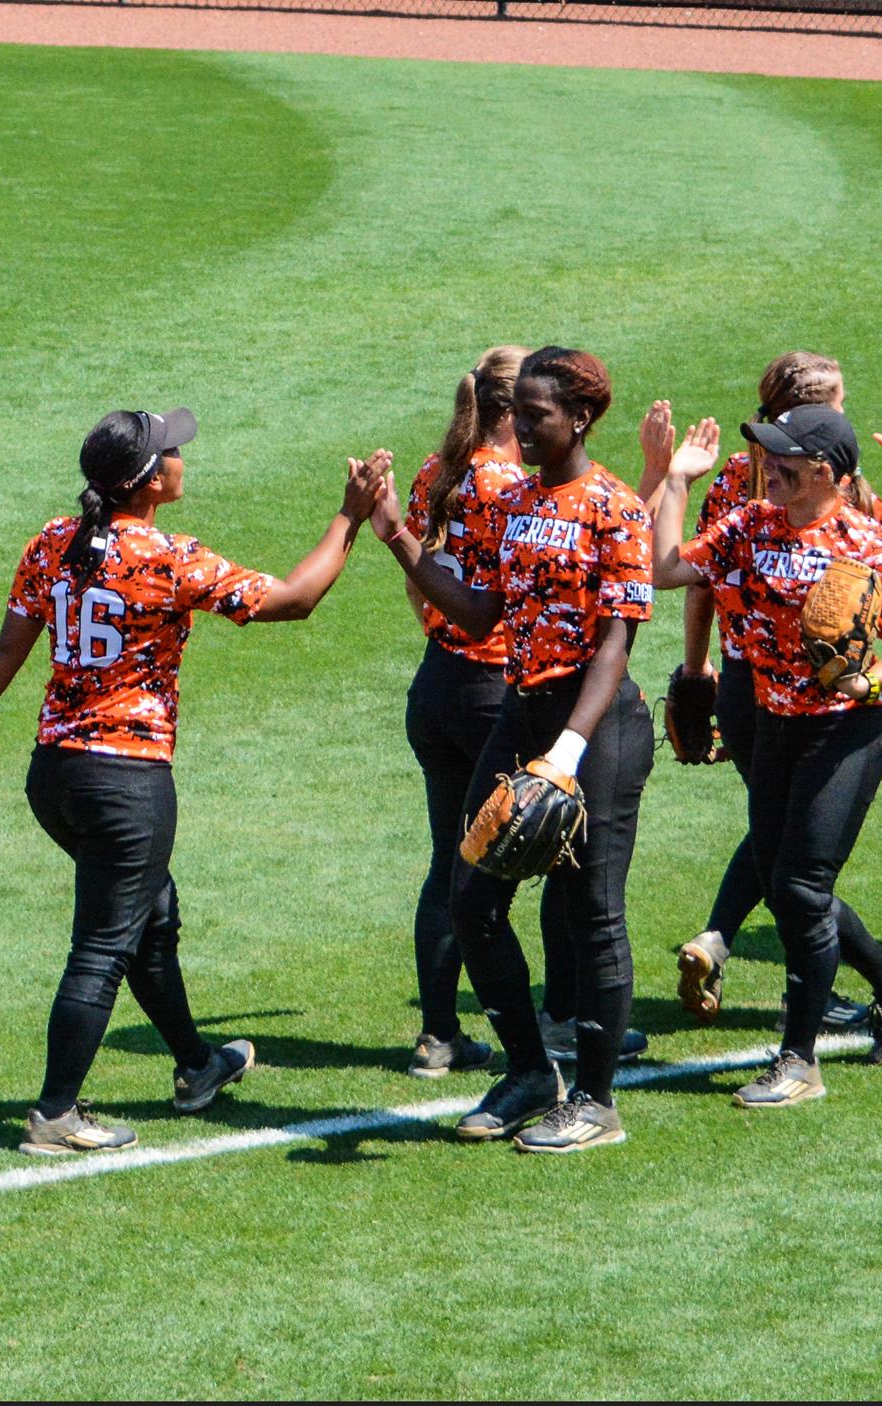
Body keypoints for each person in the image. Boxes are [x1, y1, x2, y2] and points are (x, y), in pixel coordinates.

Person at [0, 408, 378, 1155]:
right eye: (171, 451)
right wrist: (349, 518)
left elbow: (7, 649)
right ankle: (55, 1113)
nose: (181, 456)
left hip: (55, 777)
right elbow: (295, 599)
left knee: (151, 915)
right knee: (104, 943)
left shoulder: (53, 542)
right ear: (149, 481)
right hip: (127, 784)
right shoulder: (169, 557)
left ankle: (197, 1065)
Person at [372, 346, 654, 1154]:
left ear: (581, 418)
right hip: (520, 718)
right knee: (471, 896)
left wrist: (567, 750)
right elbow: (477, 614)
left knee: (589, 912)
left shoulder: (616, 507)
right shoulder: (520, 501)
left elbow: (614, 645)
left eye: (539, 415)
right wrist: (395, 535)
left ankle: (595, 1103)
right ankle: (532, 1071)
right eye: (519, 413)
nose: (524, 428)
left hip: (595, 733)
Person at [653, 404, 882, 1103]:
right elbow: (665, 570)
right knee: (786, 887)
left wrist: (870, 678)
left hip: (846, 734)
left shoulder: (865, 541)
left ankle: (799, 1062)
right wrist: (676, 481)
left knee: (801, 890)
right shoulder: (749, 524)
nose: (767, 467)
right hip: (773, 728)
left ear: (824, 471)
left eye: (783, 459)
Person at [398, 347, 527, 1077]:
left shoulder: (436, 470)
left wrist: (433, 623)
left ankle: (440, 1035)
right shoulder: (513, 485)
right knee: (496, 873)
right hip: (494, 694)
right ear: (513, 409)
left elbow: (419, 572)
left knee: (449, 861)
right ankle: (542, 1033)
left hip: (437, 683)